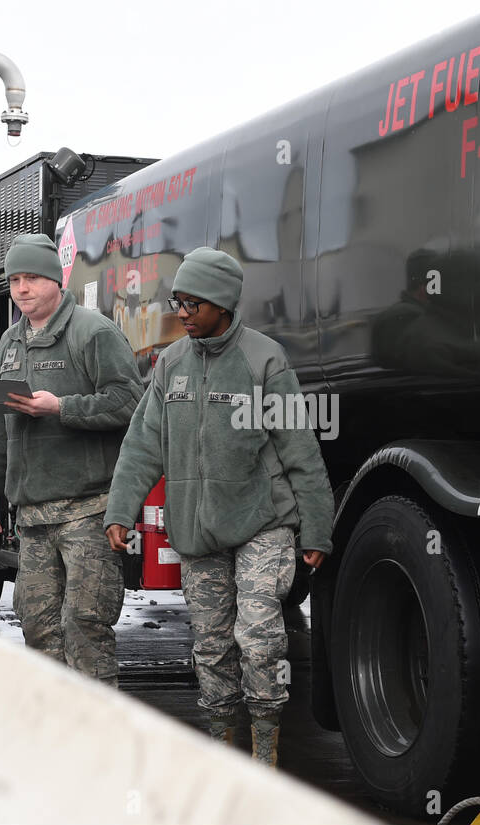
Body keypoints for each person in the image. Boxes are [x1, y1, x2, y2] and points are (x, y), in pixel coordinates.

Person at [104, 247, 334, 766]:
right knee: (211, 648)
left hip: (263, 523)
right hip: (197, 529)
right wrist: (121, 510)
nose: (180, 312)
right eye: (176, 301)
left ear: (223, 304)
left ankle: (266, 753)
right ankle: (223, 752)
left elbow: (300, 448)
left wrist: (317, 528)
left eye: (191, 303)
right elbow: (143, 443)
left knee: (258, 640)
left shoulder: (264, 360)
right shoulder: (171, 364)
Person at [0, 233, 143, 686]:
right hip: (32, 515)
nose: (21, 289)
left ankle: (97, 736)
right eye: (14, 280)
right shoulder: (10, 343)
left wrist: (62, 408)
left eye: (31, 278)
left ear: (55, 279)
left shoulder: (93, 332)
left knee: (85, 625)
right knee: (37, 625)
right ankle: (57, 736)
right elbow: (0, 425)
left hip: (87, 510)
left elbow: (131, 403)